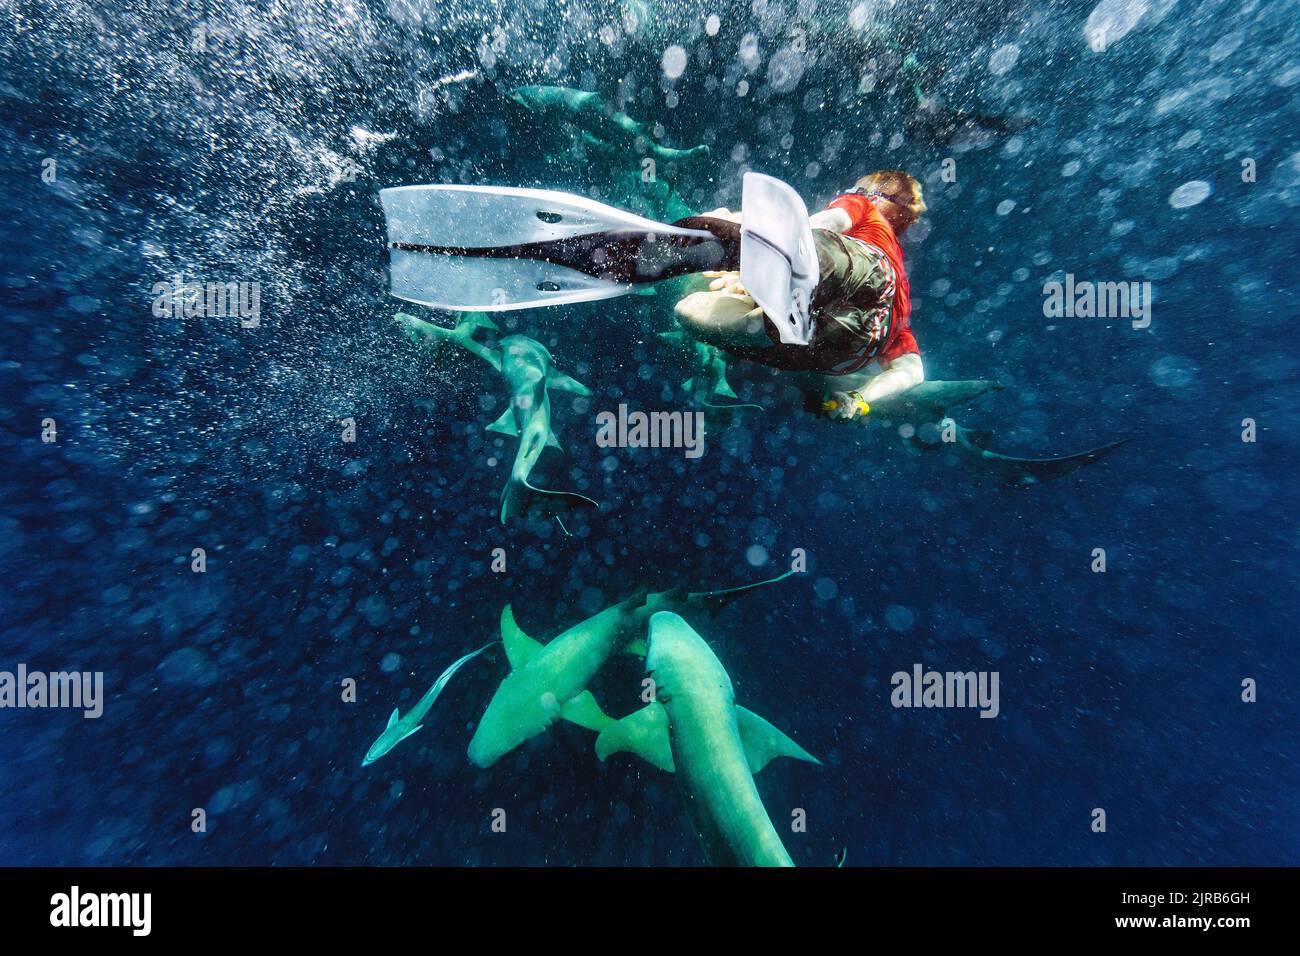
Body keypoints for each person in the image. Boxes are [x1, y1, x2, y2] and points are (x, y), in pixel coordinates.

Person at [671, 169, 926, 420]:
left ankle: (765, 303)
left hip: (859, 280)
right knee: (689, 311)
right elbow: (913, 371)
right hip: (855, 345)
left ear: (875, 196)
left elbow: (828, 223)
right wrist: (859, 400)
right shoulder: (901, 300)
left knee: (804, 248)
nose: (848, 193)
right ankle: (765, 320)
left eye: (854, 190)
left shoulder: (865, 207)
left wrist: (756, 265)